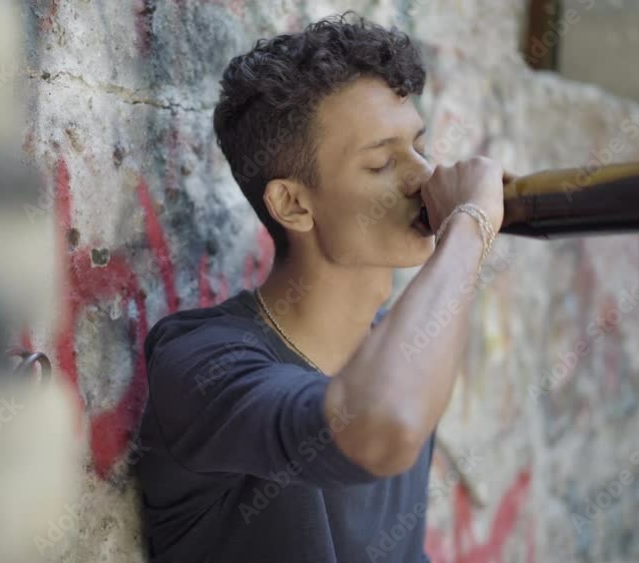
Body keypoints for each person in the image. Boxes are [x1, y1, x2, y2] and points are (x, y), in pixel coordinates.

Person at [137, 11, 506, 563]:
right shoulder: (203, 364)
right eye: (381, 163)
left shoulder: (395, 351)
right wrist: (470, 226)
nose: (425, 176)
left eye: (418, 146)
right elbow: (381, 426)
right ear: (293, 203)